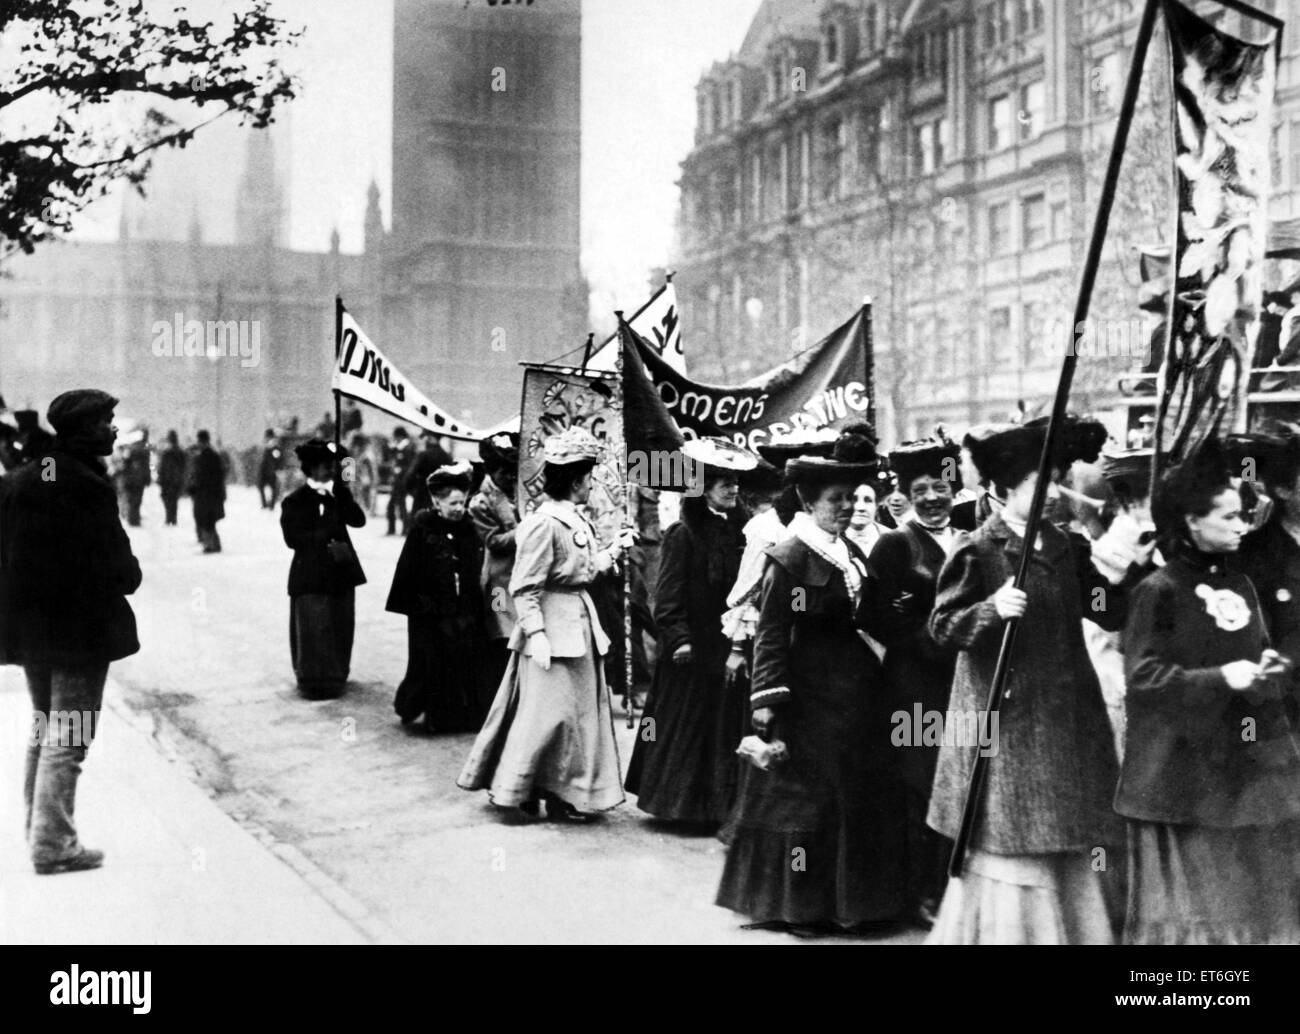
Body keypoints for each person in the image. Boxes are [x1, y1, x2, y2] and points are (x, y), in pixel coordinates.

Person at [925, 418, 1139, 944]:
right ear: (1001, 490)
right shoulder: (977, 550)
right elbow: (942, 627)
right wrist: (991, 609)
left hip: (1066, 713)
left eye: (1057, 479)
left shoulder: (1066, 548)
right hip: (1006, 720)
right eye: (1036, 484)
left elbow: (1105, 610)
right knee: (1017, 836)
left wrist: (1141, 569)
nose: (1051, 494)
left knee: (1065, 831)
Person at [717, 435, 910, 936]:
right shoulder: (791, 557)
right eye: (836, 500)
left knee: (853, 796)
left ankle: (854, 903)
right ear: (808, 501)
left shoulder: (848, 553)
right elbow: (774, 632)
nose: (847, 508)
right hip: (810, 698)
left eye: (852, 497)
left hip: (856, 694)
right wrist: (767, 698)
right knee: (811, 804)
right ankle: (804, 906)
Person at [1118, 444, 1300, 944]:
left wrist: (1268, 671)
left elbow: (1259, 657)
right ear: (1191, 522)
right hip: (1180, 770)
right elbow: (1144, 680)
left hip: (1242, 769)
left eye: (1243, 515)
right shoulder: (1159, 590)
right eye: (1229, 516)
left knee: (1251, 898)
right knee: (1197, 910)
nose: (1243, 524)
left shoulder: (1241, 583)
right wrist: (1222, 678)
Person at [458, 427, 633, 822]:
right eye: (588, 478)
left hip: (580, 628)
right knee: (545, 716)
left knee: (579, 718)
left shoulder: (573, 518)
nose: (591, 485)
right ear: (575, 481)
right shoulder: (543, 522)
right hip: (551, 633)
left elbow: (580, 571)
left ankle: (565, 792)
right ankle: (516, 791)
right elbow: (525, 585)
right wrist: (535, 633)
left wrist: (613, 550)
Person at [0, 389, 141, 874]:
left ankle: (38, 828)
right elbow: (120, 568)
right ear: (83, 430)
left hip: (31, 628)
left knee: (45, 728)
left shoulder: (26, 478)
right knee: (70, 734)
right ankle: (54, 843)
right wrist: (128, 575)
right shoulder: (86, 485)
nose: (114, 429)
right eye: (107, 421)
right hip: (79, 631)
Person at [625, 437, 755, 829]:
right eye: (722, 482)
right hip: (693, 651)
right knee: (692, 729)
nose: (732, 488)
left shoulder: (744, 532)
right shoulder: (683, 533)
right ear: (702, 488)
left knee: (725, 727)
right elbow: (665, 598)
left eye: (734, 481)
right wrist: (678, 639)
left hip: (730, 645)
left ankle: (720, 808)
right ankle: (683, 808)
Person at [864, 433, 964, 927]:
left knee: (963, 779)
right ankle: (921, 891)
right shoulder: (893, 545)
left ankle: (955, 886)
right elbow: (872, 615)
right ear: (906, 491)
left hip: (965, 687)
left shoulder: (971, 539)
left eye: (940, 486)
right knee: (922, 785)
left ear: (955, 486)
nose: (931, 497)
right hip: (914, 687)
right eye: (919, 488)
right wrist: (923, 637)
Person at [388, 462, 487, 732]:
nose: (458, 508)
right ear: (437, 502)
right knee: (432, 661)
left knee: (463, 659)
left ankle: (463, 714)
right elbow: (408, 570)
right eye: (452, 503)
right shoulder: (424, 528)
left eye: (462, 502)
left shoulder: (469, 528)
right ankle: (435, 715)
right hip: (429, 611)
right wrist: (420, 604)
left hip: (462, 607)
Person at [279, 439, 367, 699]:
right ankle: (313, 680)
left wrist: (344, 493)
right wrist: (323, 533)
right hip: (310, 576)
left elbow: (358, 521)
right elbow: (292, 539)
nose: (329, 470)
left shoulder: (338, 495)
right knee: (313, 627)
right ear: (309, 469)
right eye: (322, 466)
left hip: (340, 573)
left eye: (331, 465)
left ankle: (338, 675)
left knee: (341, 623)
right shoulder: (294, 501)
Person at [468, 431, 521, 695]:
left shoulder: (521, 491)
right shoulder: (481, 502)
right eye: (505, 472)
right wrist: (524, 532)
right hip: (498, 581)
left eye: (514, 470)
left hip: (521, 577)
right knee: (500, 636)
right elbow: (493, 540)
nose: (511, 476)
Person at [188, 429, 226, 553]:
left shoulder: (205, 457)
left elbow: (203, 476)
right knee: (208, 520)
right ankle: (213, 543)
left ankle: (210, 545)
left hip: (206, 494)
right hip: (210, 493)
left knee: (205, 519)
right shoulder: (212, 456)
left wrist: (195, 486)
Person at [407, 433, 454, 517]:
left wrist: (412, 491)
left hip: (421, 495)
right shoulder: (446, 457)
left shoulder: (423, 455)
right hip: (440, 497)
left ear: (430, 438)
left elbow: (410, 475)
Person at [385, 426, 414, 536]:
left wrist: (399, 471)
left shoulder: (406, 448)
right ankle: (398, 529)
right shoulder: (402, 448)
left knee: (399, 505)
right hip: (399, 481)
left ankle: (401, 529)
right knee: (398, 505)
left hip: (401, 481)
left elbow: (406, 465)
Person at [120, 428, 151, 527]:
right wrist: (147, 479)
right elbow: (146, 466)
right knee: (138, 499)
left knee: (130, 499)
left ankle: (131, 519)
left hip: (130, 478)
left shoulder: (129, 449)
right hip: (140, 479)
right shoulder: (145, 450)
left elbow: (125, 464)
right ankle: (135, 519)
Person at [156, 429, 186, 526]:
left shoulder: (167, 452)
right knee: (173, 499)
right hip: (176, 479)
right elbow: (184, 466)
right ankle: (172, 518)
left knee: (167, 498)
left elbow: (162, 466)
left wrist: (160, 477)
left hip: (167, 479)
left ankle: (169, 518)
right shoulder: (180, 451)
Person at [846, 481, 881, 556]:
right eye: (854, 500)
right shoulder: (831, 538)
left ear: (876, 506)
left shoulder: (891, 537)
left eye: (868, 500)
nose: (861, 507)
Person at [257, 429, 284, 510]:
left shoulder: (274, 447)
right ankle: (267, 504)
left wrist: (277, 468)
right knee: (266, 487)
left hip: (269, 471)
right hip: (266, 470)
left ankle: (269, 505)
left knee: (271, 488)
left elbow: (277, 459)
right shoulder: (268, 446)